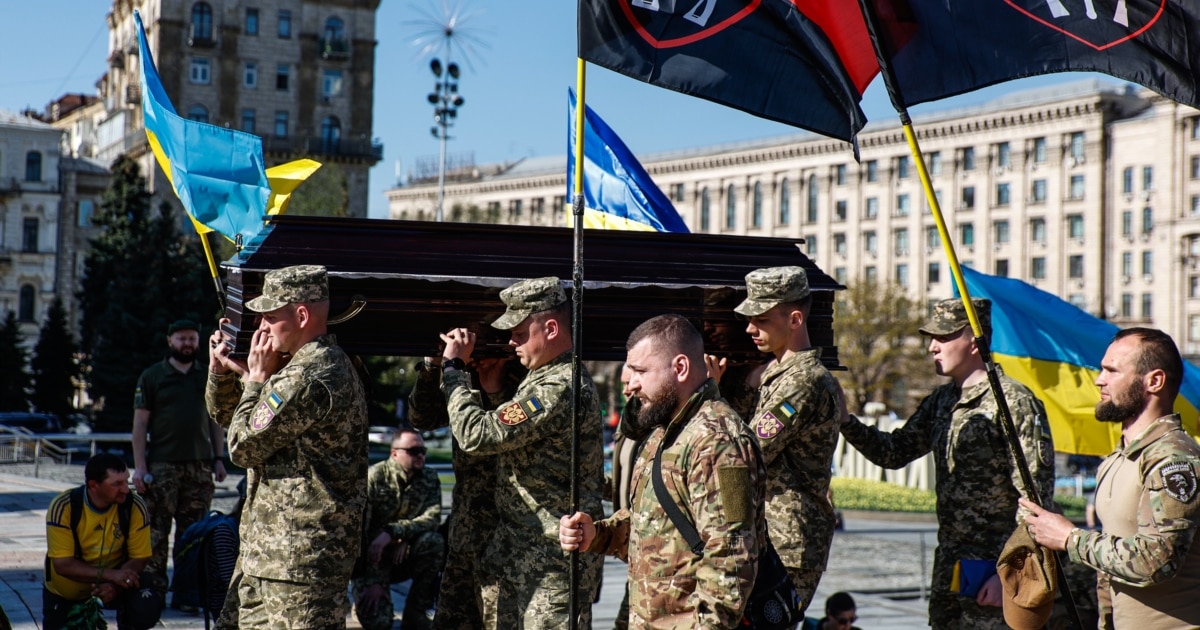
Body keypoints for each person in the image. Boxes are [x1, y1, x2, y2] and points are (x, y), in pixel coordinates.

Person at [836, 297, 1056, 629]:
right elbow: (894, 451)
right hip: (950, 570)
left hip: (992, 573)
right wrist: (846, 421)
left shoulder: (1014, 403)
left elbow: (1035, 499)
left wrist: (1011, 572)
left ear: (973, 339)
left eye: (943, 337)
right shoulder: (942, 401)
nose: (932, 348)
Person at [559, 314, 769, 627]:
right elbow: (655, 524)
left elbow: (732, 556)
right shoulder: (665, 431)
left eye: (641, 371)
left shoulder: (720, 441)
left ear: (680, 368)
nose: (629, 382)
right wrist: (598, 534)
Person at [206, 264, 368, 628]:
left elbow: (242, 446)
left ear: (301, 315)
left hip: (298, 564)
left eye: (269, 317)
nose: (261, 327)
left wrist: (256, 380)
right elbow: (231, 419)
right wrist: (222, 373)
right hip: (269, 554)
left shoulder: (311, 374)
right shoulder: (296, 369)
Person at [438, 276, 604, 628]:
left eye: (519, 330)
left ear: (552, 327)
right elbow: (524, 445)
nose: (511, 340)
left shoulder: (558, 386)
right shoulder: (544, 380)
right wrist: (496, 393)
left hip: (550, 570)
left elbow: (476, 435)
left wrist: (453, 370)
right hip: (524, 559)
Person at [1023, 327, 1200, 628]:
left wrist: (1069, 538)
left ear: (1154, 381)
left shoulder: (1173, 459)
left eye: (1112, 370)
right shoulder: (1118, 459)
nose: (1099, 380)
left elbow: (1155, 561)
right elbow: (1109, 566)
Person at [731, 265, 841, 614]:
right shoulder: (779, 375)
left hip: (787, 542)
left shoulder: (803, 381)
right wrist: (748, 385)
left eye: (761, 318)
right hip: (771, 537)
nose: (749, 328)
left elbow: (747, 450)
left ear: (795, 320)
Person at [409, 355, 520, 630]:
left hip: (504, 540)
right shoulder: (463, 377)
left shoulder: (523, 377)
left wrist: (457, 372)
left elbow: (487, 435)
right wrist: (433, 366)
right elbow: (421, 416)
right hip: (465, 535)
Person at [129, 318, 227, 602]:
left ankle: (187, 593)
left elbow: (215, 420)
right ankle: (153, 593)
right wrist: (140, 467)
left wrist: (218, 458)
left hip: (199, 469)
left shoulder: (207, 376)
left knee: (194, 536)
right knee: (155, 534)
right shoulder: (153, 376)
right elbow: (140, 426)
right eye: (182, 338)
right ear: (170, 341)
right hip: (162, 467)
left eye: (192, 339)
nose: (187, 344)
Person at [43, 453, 161, 630]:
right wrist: (111, 576)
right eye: (117, 484)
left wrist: (115, 586)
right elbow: (63, 565)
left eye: (126, 480)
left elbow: (140, 558)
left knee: (145, 604)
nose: (125, 489)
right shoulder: (64, 506)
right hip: (68, 592)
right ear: (93, 485)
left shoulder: (134, 505)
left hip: (116, 584)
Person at [353, 429, 445, 630]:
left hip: (403, 556)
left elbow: (432, 518)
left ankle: (416, 612)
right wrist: (373, 581)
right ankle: (361, 597)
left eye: (423, 450)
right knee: (379, 622)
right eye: (413, 451)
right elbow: (361, 534)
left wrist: (398, 534)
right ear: (395, 453)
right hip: (372, 561)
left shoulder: (429, 477)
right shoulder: (375, 478)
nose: (421, 455)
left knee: (433, 542)